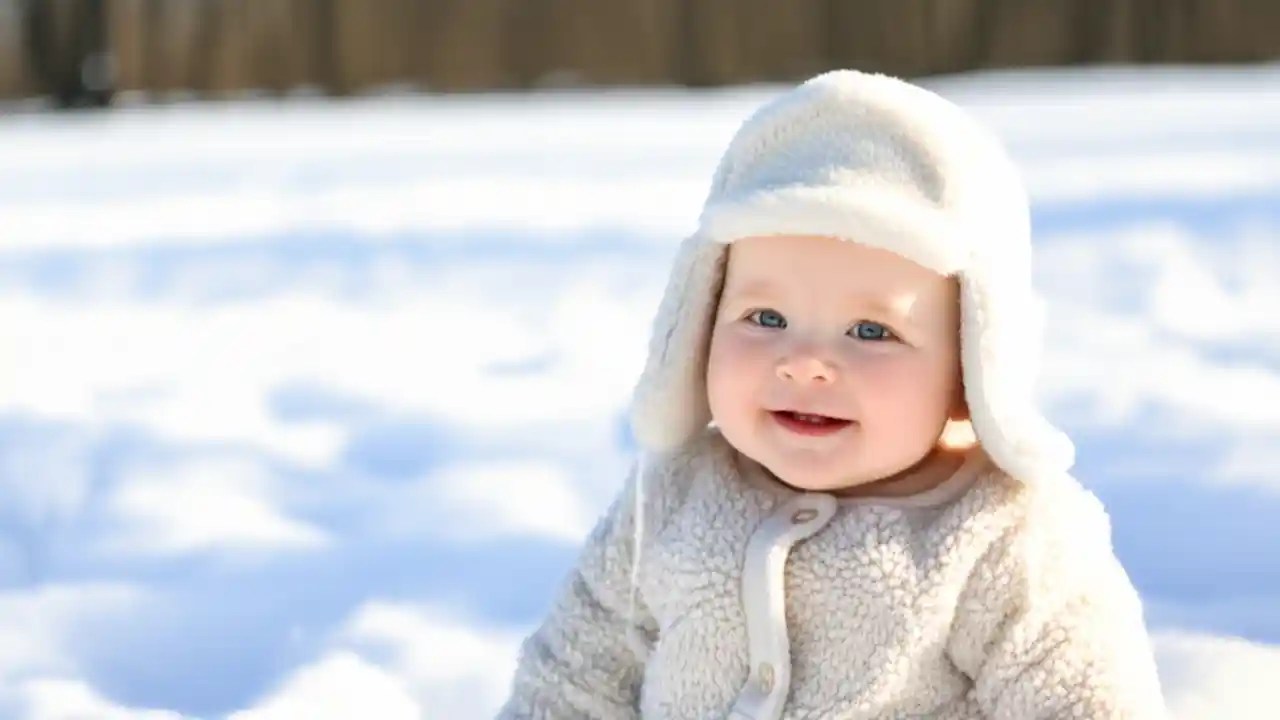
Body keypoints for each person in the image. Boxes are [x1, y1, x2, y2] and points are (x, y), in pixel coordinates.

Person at [497, 70, 1167, 719]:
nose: (807, 363)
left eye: (871, 331)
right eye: (765, 319)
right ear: (699, 320)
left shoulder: (1003, 537)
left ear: (972, 365)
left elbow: (1087, 704)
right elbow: (572, 681)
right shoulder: (674, 496)